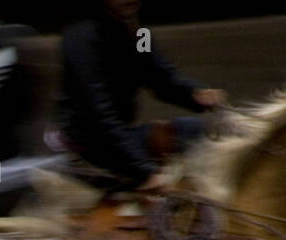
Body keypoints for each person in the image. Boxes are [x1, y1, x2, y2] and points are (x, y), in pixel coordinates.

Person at [56, 0, 226, 192]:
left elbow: (158, 76)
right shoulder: (81, 39)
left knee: (206, 130)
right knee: (192, 135)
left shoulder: (139, 34)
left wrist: (195, 93)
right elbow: (99, 112)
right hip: (92, 146)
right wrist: (145, 171)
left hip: (118, 137)